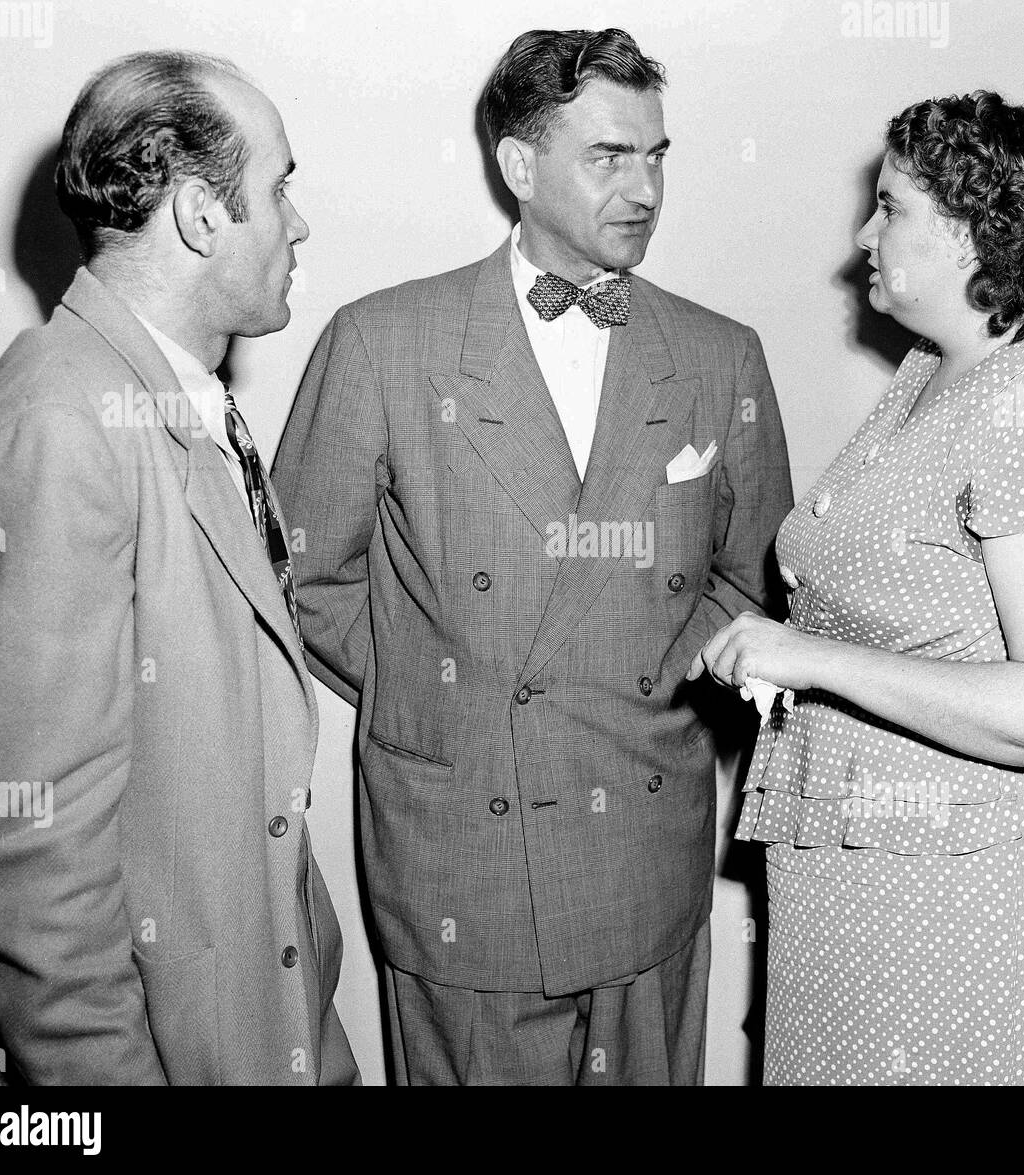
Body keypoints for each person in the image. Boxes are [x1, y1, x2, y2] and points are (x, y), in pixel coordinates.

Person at [274, 27, 793, 1085]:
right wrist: (451, 688)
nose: (644, 186)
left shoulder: (718, 354)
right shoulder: (382, 342)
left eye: (656, 155)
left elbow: (754, 579)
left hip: (647, 835)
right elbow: (303, 574)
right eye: (609, 156)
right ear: (520, 165)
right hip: (463, 848)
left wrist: (643, 676)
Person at [690, 91, 1024, 1085]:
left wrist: (804, 655)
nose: (861, 235)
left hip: (973, 914)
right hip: (879, 892)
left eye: (890, 206)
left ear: (968, 230)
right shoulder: (930, 374)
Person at [0, 50, 358, 1085]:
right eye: (278, 188)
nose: (297, 223)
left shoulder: (169, 393)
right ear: (198, 216)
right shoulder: (63, 421)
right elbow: (28, 857)